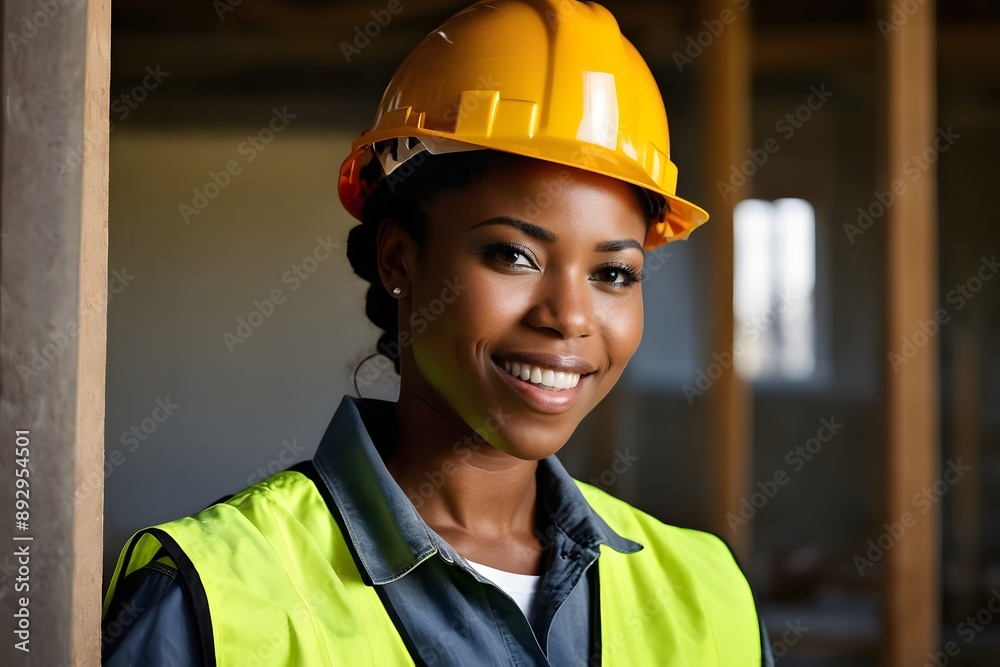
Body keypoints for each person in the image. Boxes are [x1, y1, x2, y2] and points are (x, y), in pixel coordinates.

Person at [101, 0, 775, 664]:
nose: (569, 316)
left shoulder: (708, 593)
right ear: (401, 259)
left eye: (615, 273)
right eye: (513, 254)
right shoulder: (210, 598)